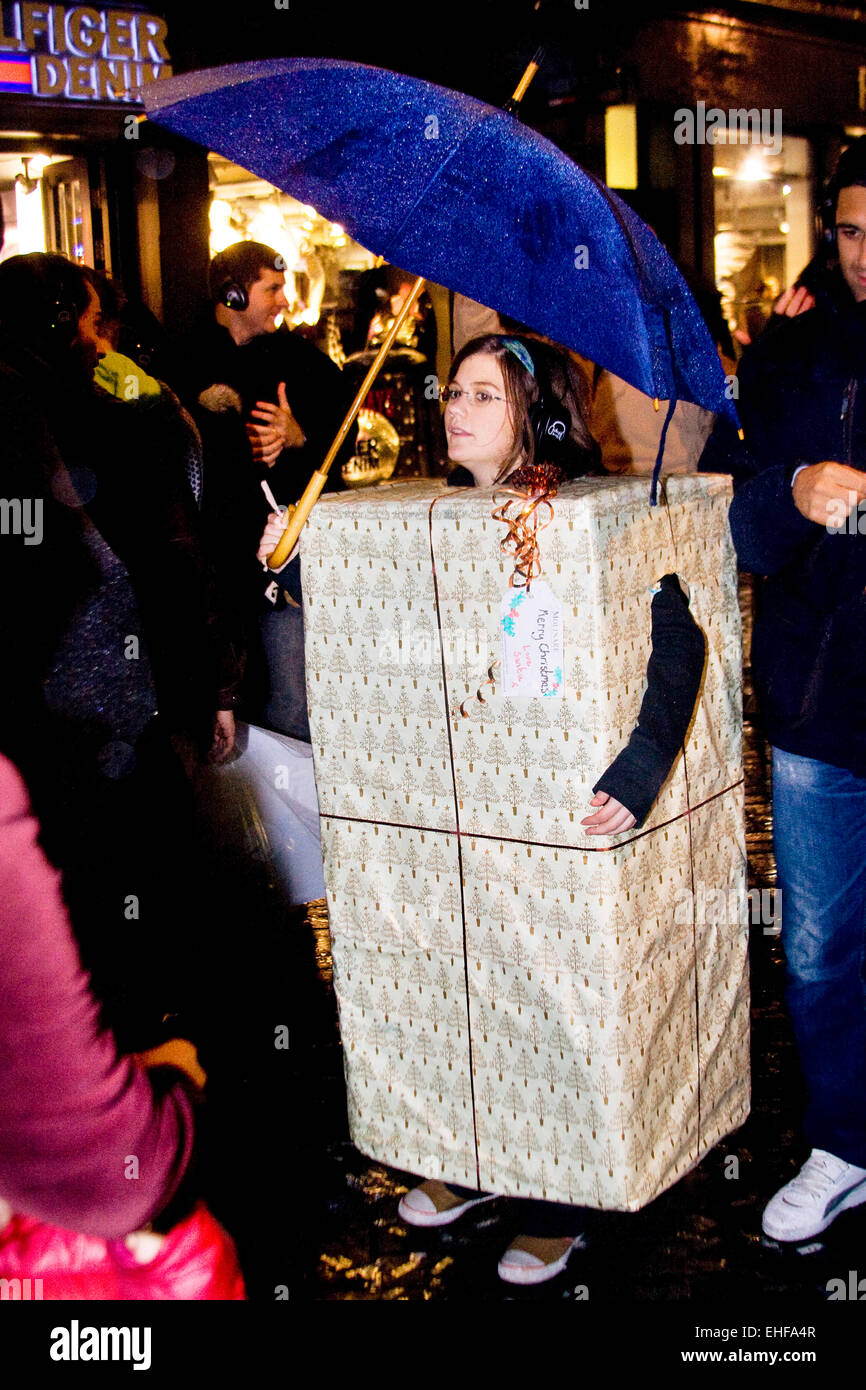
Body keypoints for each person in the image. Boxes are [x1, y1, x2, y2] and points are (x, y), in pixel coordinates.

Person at [260, 333, 708, 1283]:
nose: (455, 409)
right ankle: (474, 1158)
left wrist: (635, 775)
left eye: (483, 396)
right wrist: (298, 567)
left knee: (552, 991)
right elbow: (380, 619)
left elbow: (673, 631)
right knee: (458, 979)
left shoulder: (592, 513)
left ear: (539, 413)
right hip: (451, 794)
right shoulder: (431, 512)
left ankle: (560, 1191)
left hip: (556, 799)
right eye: (452, 391)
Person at [0, 252, 237, 1045]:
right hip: (105, 708)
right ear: (65, 327)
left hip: (46, 721)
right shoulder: (84, 407)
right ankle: (145, 1066)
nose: (109, 345)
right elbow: (166, 547)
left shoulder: (61, 398)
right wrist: (207, 686)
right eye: (99, 326)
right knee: (137, 902)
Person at [700, 136, 866, 1242]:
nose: (865, 254)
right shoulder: (790, 352)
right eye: (850, 229)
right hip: (818, 704)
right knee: (815, 947)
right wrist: (786, 493)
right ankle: (844, 1140)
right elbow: (730, 513)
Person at [171, 240, 352, 737]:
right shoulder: (181, 362)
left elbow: (346, 429)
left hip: (279, 569)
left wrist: (301, 437)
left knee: (291, 704)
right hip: (215, 573)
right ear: (232, 296)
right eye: (272, 289)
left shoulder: (302, 361)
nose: (284, 301)